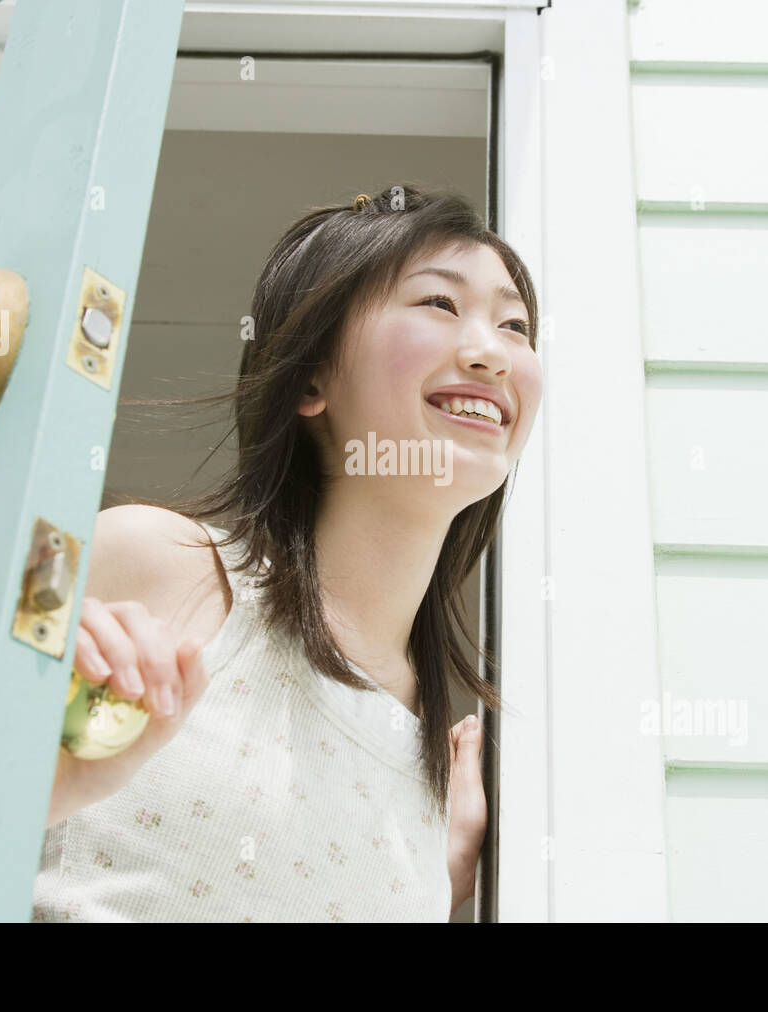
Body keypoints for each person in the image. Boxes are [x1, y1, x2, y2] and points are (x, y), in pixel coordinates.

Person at [31, 184, 542, 921]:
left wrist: (439, 880)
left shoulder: (433, 773)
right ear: (310, 377)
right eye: (439, 303)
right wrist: (21, 786)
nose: (491, 353)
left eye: (517, 325)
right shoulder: (155, 560)